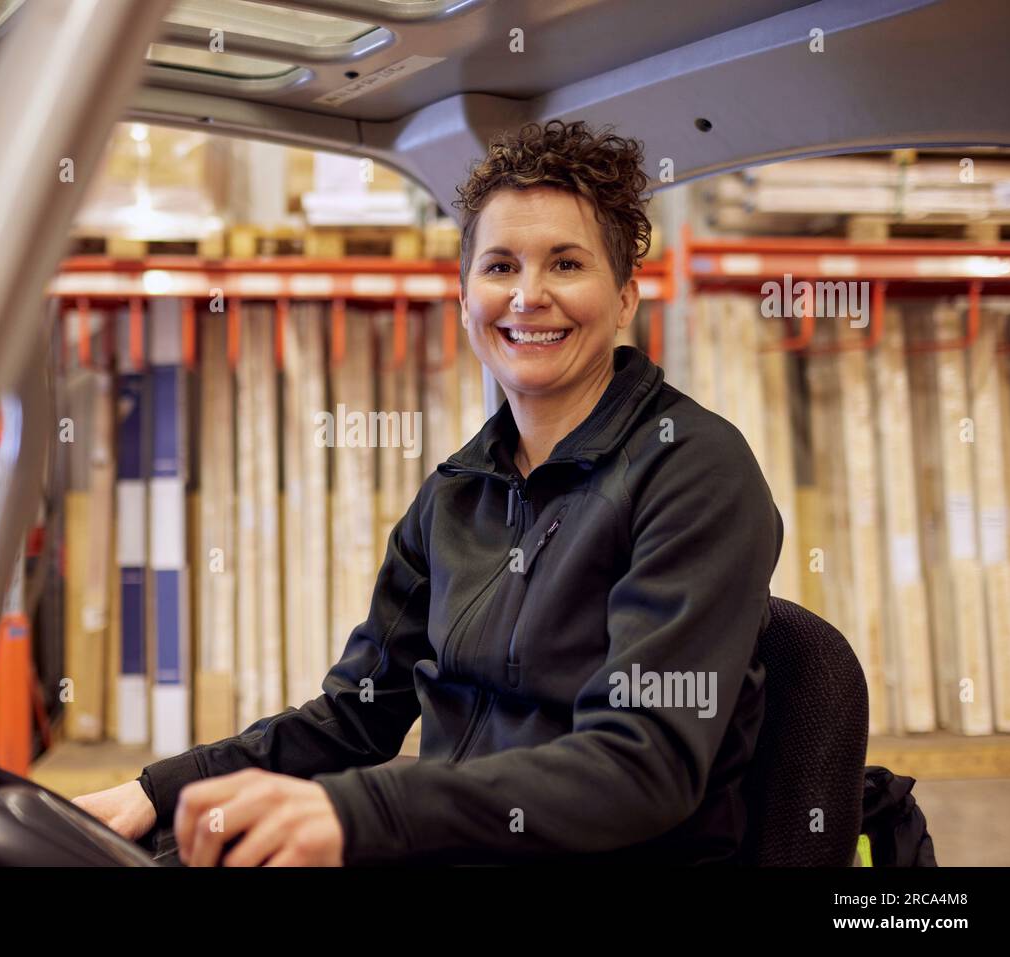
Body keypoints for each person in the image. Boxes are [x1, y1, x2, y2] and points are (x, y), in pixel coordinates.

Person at [75, 119, 784, 867]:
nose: (529, 295)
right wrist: (167, 790)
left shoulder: (695, 471)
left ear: (625, 297)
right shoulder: (459, 493)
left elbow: (643, 766)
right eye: (501, 266)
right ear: (465, 296)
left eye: (567, 264)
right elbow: (358, 713)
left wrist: (362, 811)